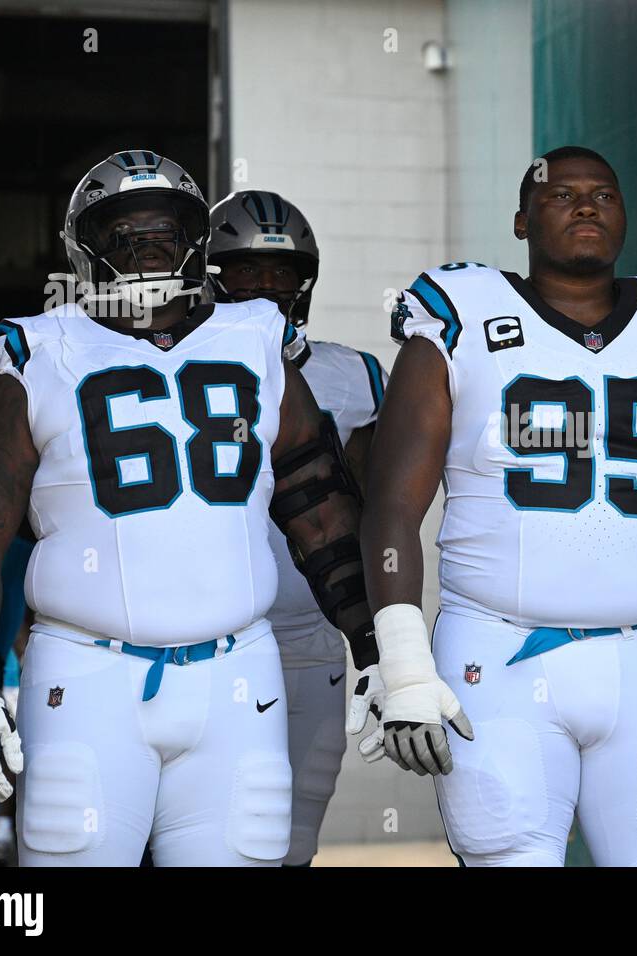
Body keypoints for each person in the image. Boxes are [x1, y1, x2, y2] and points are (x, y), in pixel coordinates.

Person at [361, 146, 637, 867]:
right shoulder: (462, 315)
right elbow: (390, 508)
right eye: (560, 195)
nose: (583, 206)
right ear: (520, 219)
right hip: (497, 651)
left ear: (625, 215)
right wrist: (406, 668)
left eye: (602, 194)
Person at [0, 150, 377, 866]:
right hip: (85, 671)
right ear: (85, 247)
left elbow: (319, 506)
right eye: (123, 232)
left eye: (163, 230)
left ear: (196, 239)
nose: (145, 246)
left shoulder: (256, 338)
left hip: (237, 673)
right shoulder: (37, 352)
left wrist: (379, 647)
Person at [208, 188, 389, 866]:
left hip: (311, 633)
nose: (264, 286)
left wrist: (383, 636)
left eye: (280, 273)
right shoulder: (179, 371)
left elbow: (375, 516)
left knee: (292, 839)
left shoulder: (356, 376)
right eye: (246, 270)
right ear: (212, 274)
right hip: (213, 635)